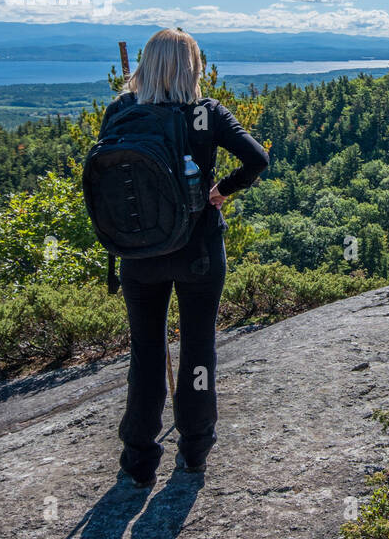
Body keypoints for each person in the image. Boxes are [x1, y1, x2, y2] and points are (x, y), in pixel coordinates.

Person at [98, 28, 269, 487]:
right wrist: (221, 192)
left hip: (139, 253)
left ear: (146, 65)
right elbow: (257, 159)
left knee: (147, 353)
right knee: (197, 352)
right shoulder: (205, 114)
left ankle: (138, 459)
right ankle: (194, 450)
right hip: (198, 251)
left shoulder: (120, 111)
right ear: (193, 67)